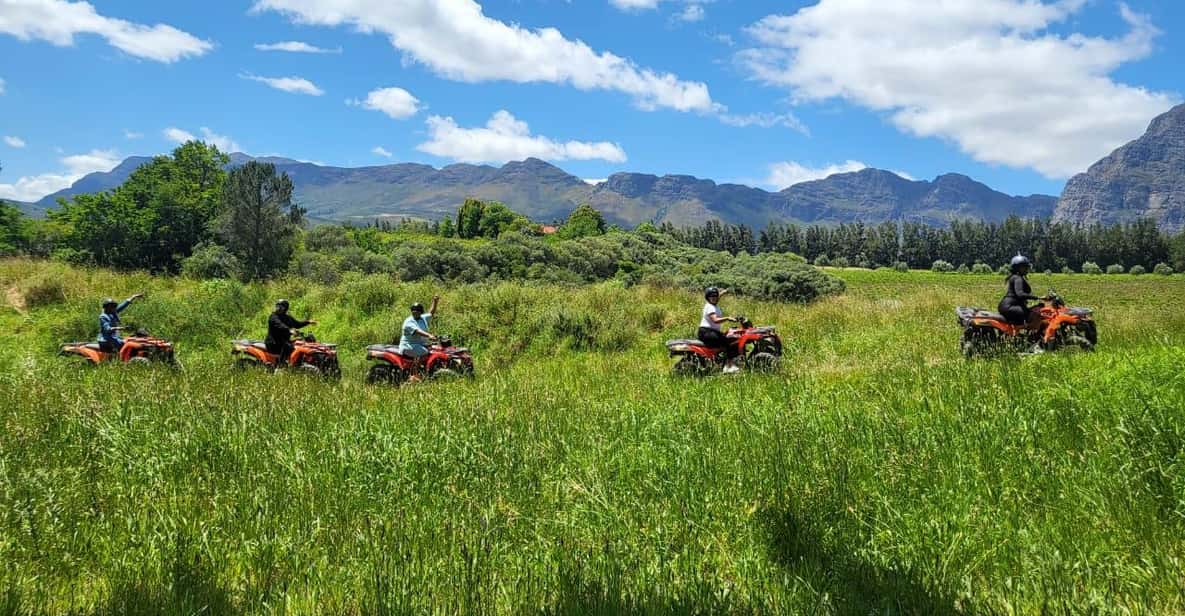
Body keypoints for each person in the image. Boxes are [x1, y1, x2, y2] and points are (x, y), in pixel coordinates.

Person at [698, 287, 741, 373]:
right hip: (707, 332)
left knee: (731, 337)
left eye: (715, 296)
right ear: (707, 297)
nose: (714, 297)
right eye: (711, 296)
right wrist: (728, 318)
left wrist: (724, 292)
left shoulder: (714, 304)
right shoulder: (710, 307)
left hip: (711, 332)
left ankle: (723, 360)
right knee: (729, 341)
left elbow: (717, 297)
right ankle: (729, 366)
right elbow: (715, 320)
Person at [998, 254, 1043, 329]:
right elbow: (1020, 294)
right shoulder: (1017, 278)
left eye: (1026, 267)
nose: (1026, 269)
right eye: (1024, 267)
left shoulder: (1015, 277)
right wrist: (1038, 297)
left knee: (1032, 311)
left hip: (1007, 306)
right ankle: (1032, 336)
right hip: (1010, 307)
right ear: (1017, 268)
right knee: (1031, 315)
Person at [266, 299, 316, 366]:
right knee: (287, 346)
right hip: (273, 343)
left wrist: (308, 322)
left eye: (280, 307)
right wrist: (289, 330)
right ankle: (280, 367)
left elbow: (297, 324)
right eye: (277, 306)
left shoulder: (287, 317)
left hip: (283, 341)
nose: (278, 308)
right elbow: (279, 324)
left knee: (299, 342)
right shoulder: (273, 317)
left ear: (285, 308)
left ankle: (297, 363)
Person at [399, 296, 440, 372]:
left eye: (417, 310)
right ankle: (414, 373)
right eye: (413, 310)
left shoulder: (422, 318)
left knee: (435, 349)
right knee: (424, 353)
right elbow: (418, 331)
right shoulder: (409, 322)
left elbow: (431, 313)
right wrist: (429, 335)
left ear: (421, 312)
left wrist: (435, 302)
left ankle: (426, 369)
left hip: (419, 344)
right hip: (409, 345)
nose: (414, 311)